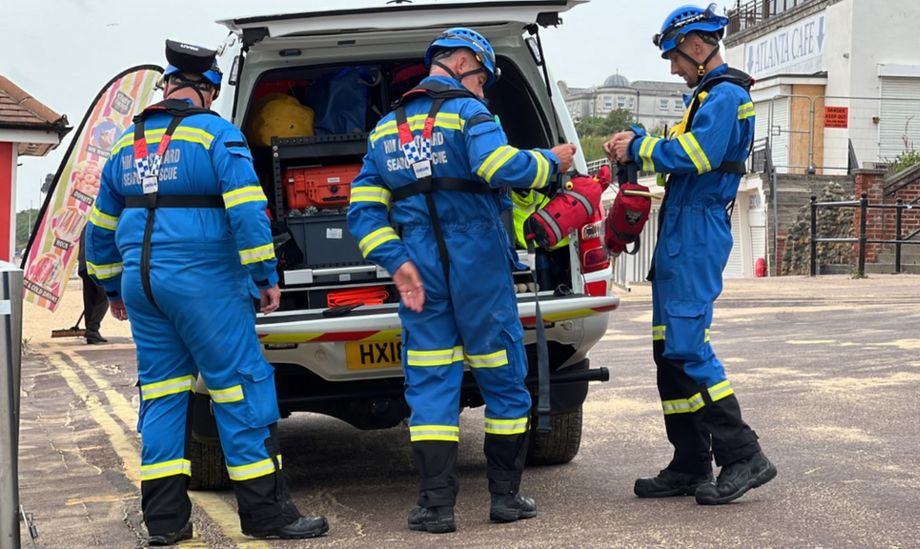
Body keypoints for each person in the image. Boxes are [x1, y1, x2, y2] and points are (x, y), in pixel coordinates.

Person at [85, 40, 328, 545]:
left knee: (162, 395)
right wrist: (264, 276)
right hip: (205, 283)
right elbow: (245, 211)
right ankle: (266, 515)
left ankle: (165, 523)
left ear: (166, 89)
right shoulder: (218, 135)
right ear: (208, 91)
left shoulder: (125, 147)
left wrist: (112, 288)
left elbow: (99, 230)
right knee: (240, 388)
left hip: (143, 284)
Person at [347, 27, 576, 533]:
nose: (484, 89)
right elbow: (500, 166)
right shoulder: (469, 114)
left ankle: (435, 507)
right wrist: (549, 163)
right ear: (463, 62)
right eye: (484, 78)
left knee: (430, 385)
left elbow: (362, 211)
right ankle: (505, 499)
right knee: (502, 378)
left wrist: (396, 259)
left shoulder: (386, 129)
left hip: (420, 271)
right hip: (478, 264)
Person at [603, 4, 777, 506]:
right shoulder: (707, 96)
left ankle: (743, 454)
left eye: (674, 58)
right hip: (683, 226)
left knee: (687, 345)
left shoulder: (723, 96)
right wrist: (635, 144)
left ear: (697, 48)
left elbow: (695, 156)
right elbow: (682, 148)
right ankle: (690, 462)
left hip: (697, 227)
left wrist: (640, 148)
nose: (672, 68)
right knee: (668, 351)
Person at [78, 226, 109, 344]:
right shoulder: (103, 223)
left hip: (84, 265)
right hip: (97, 265)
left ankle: (91, 332)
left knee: (90, 299)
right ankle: (92, 330)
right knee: (103, 297)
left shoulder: (87, 226)